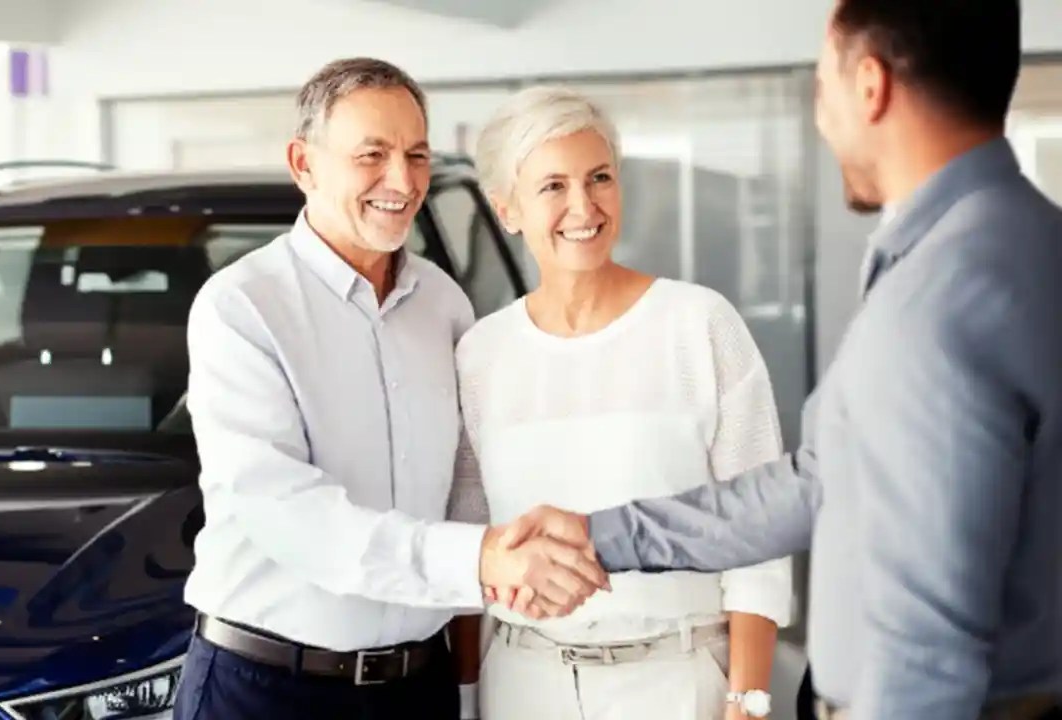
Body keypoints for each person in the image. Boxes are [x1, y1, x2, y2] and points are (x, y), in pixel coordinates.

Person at [494, 2, 1062, 719]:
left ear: (869, 85)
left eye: (820, 86)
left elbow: (927, 645)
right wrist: (602, 534)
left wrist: (750, 689)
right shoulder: (1019, 242)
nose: (820, 118)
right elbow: (820, 481)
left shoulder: (942, 295)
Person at [172, 57, 609, 720]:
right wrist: (486, 558)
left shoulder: (443, 303)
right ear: (304, 164)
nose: (402, 182)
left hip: (416, 689)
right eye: (371, 154)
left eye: (416, 154)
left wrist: (497, 608)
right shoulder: (242, 308)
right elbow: (291, 514)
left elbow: (466, 488)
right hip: (267, 691)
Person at [444, 85, 793, 720]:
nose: (583, 205)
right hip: (523, 685)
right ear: (507, 209)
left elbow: (761, 527)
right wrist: (467, 697)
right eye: (552, 186)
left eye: (599, 177)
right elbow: (470, 543)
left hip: (678, 682)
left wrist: (749, 698)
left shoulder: (700, 323)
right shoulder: (480, 354)